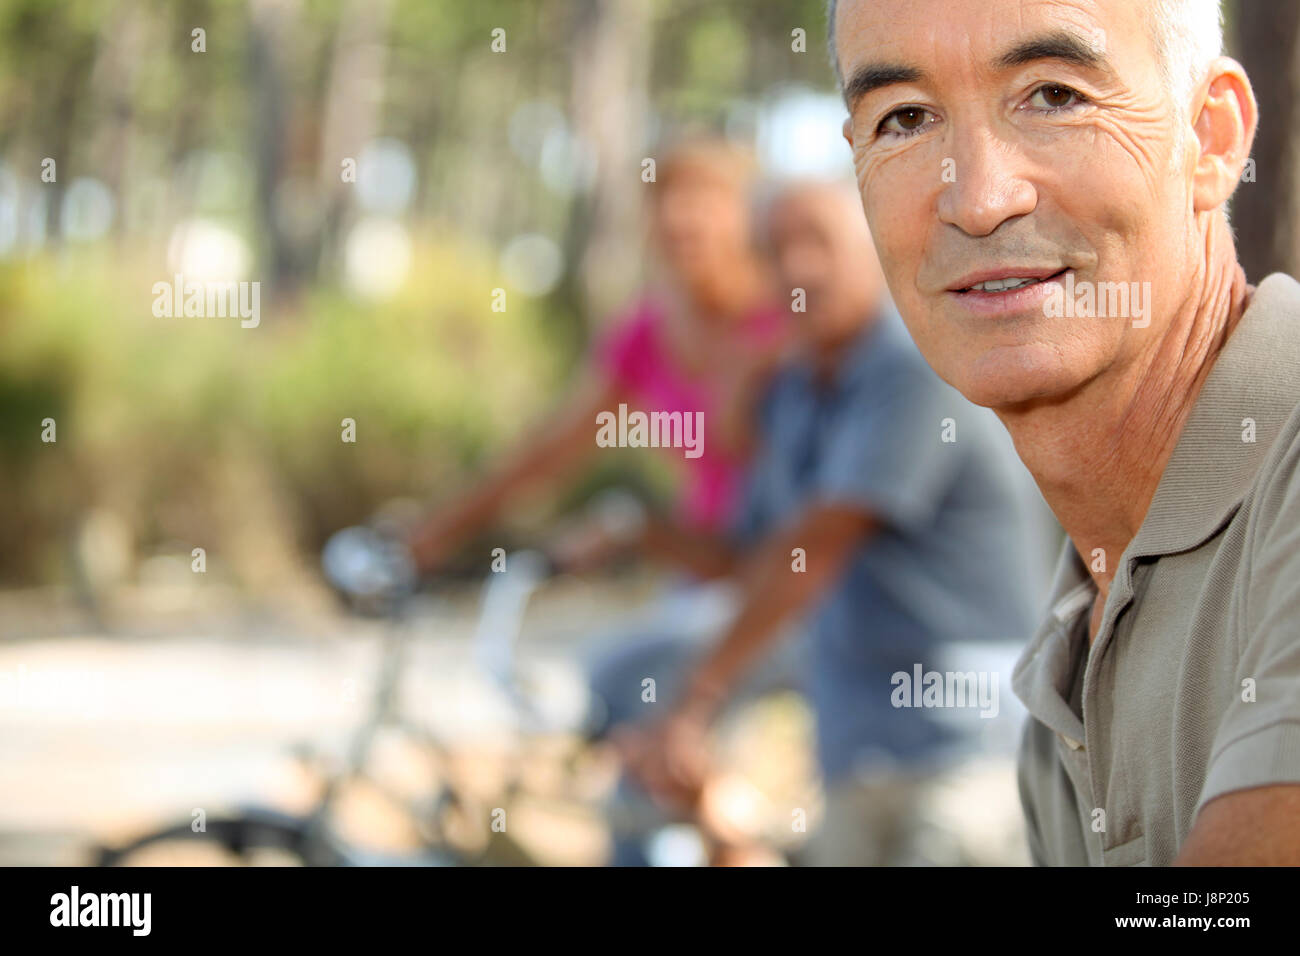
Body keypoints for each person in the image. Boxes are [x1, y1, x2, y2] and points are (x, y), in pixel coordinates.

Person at [828, 0, 1300, 864]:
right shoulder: (1074, 645)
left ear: (1213, 137)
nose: (978, 199)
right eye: (904, 118)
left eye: (1053, 95)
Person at [618, 179, 1052, 865]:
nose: (798, 268)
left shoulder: (918, 369)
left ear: (875, 245)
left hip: (963, 759)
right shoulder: (793, 392)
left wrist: (691, 706)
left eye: (817, 241)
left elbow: (814, 548)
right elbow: (750, 556)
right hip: (856, 758)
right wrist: (638, 532)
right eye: (774, 251)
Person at [406, 138, 787, 574]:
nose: (679, 216)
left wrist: (766, 363)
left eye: (704, 197)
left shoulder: (797, 312)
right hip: (710, 569)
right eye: (664, 197)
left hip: (798, 579)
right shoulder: (646, 333)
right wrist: (437, 532)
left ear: (751, 216)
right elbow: (549, 451)